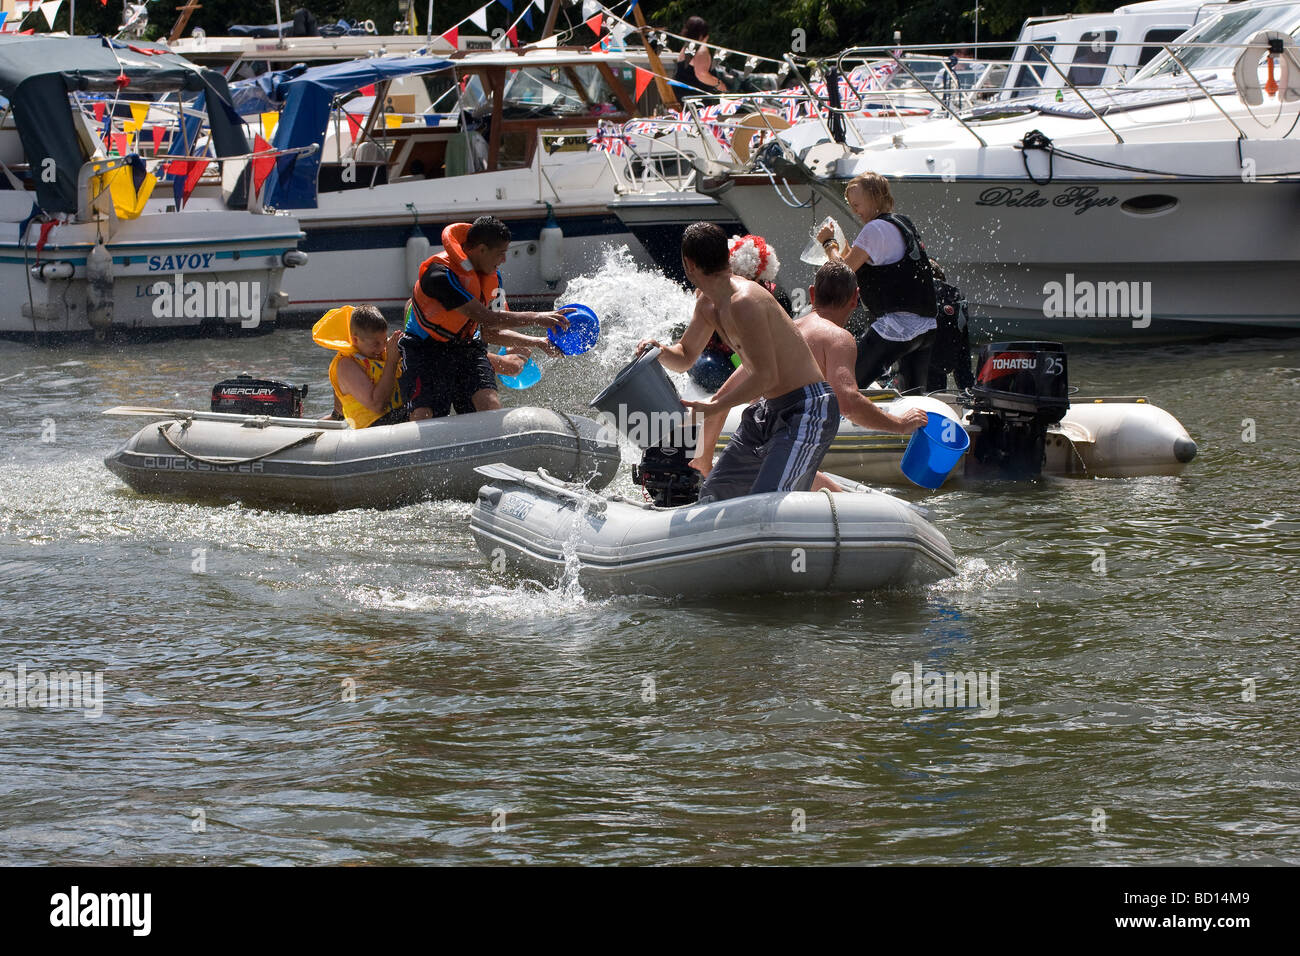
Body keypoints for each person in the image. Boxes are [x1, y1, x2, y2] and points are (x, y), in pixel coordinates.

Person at [635, 222, 837, 503]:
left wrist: (716, 406)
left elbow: (766, 376)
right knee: (712, 497)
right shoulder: (707, 304)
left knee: (764, 503)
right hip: (768, 411)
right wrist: (658, 350)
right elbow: (684, 356)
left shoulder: (745, 301)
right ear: (725, 256)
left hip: (806, 409)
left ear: (688, 264)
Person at [690, 261, 928, 483]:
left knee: (826, 487)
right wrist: (900, 424)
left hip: (754, 439)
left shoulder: (783, 333)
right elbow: (848, 403)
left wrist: (704, 458)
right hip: (780, 444)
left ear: (812, 294)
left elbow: (720, 400)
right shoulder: (837, 338)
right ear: (855, 299)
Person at [399, 216, 568, 420]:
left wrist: (538, 341)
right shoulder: (440, 275)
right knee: (424, 415)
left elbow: (490, 332)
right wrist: (538, 317)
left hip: (467, 348)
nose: (504, 260)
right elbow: (486, 318)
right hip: (425, 350)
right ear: (481, 250)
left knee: (489, 405)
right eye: (501, 253)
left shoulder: (493, 279)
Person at [818, 171, 937, 393]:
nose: (854, 211)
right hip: (927, 328)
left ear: (874, 197)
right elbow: (859, 263)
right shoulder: (902, 223)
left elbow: (841, 272)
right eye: (851, 205)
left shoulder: (873, 229)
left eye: (857, 204)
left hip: (896, 327)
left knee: (843, 388)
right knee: (913, 396)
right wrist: (842, 246)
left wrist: (829, 243)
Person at [687, 233, 791, 393]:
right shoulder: (710, 295)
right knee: (709, 368)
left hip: (754, 360)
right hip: (719, 357)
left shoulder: (776, 297)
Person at [313, 304, 406, 428]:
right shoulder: (346, 365)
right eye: (375, 343)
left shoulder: (383, 352)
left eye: (384, 340)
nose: (382, 347)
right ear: (355, 340)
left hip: (400, 417)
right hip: (374, 427)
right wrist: (392, 361)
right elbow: (377, 406)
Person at [925, 259, 975, 392]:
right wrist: (967, 390)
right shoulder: (955, 299)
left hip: (917, 374)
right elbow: (963, 360)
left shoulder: (916, 294)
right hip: (942, 370)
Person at [674, 16, 726, 95]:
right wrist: (719, 84)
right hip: (695, 96)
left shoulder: (686, 47)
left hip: (679, 92)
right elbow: (701, 74)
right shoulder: (701, 50)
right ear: (702, 34)